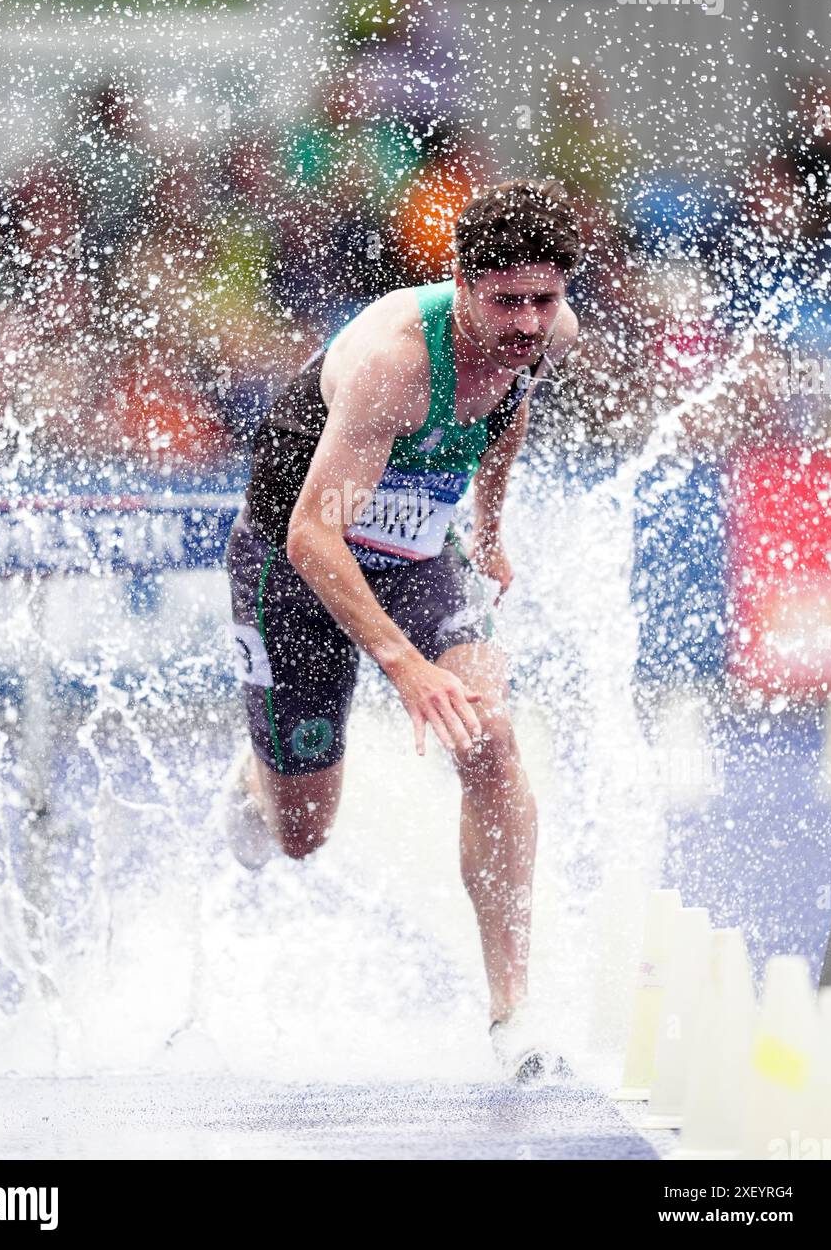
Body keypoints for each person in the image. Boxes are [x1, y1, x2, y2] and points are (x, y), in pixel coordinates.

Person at [223, 179, 582, 1080]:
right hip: (296, 564)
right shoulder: (396, 362)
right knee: (303, 835)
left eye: (544, 300)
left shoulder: (542, 333)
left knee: (490, 742)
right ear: (461, 283)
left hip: (420, 554)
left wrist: (491, 529)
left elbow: (511, 410)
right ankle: (255, 780)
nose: (529, 324)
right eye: (507, 302)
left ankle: (513, 1013)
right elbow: (314, 535)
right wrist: (406, 667)